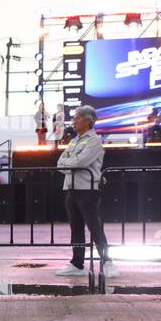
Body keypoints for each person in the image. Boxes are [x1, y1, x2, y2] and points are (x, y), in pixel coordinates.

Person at [56, 105, 116, 277]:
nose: (73, 121)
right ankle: (77, 264)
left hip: (87, 190)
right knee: (76, 228)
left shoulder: (94, 141)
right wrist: (71, 165)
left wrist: (70, 164)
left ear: (89, 120)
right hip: (71, 189)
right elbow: (60, 163)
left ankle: (107, 262)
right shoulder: (74, 141)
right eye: (74, 118)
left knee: (94, 227)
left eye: (77, 117)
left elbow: (81, 162)